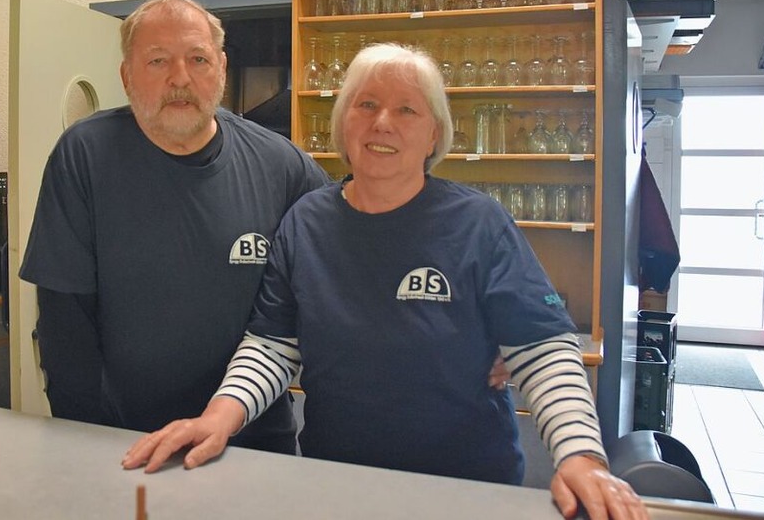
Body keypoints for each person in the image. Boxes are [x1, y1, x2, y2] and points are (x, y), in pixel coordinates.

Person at [122, 43, 647, 520]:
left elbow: (542, 348)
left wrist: (580, 456)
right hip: (337, 483)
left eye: (407, 110)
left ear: (434, 134)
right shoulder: (306, 223)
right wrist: (220, 416)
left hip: (467, 489)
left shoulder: (479, 223)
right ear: (343, 123)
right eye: (366, 105)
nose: (383, 123)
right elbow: (273, 345)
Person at [18, 0, 331, 454]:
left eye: (198, 59)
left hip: (254, 441)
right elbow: (66, 327)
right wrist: (83, 445)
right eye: (158, 60)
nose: (180, 79)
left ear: (221, 69)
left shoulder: (280, 164)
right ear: (126, 76)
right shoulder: (85, 156)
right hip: (125, 441)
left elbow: (352, 238)